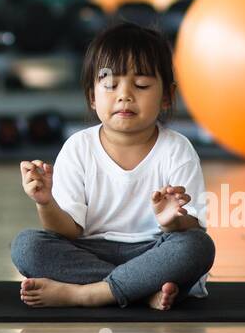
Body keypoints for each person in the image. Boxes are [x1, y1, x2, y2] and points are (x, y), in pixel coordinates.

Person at [12, 20, 215, 309]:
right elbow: (68, 232)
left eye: (142, 85)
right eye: (110, 84)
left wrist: (174, 221)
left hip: (153, 252)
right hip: (90, 251)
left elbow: (194, 227)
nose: (125, 95)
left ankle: (87, 294)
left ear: (168, 96)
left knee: (196, 247)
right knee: (27, 246)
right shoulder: (78, 147)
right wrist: (45, 203)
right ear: (93, 97)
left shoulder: (177, 149)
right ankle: (139, 291)